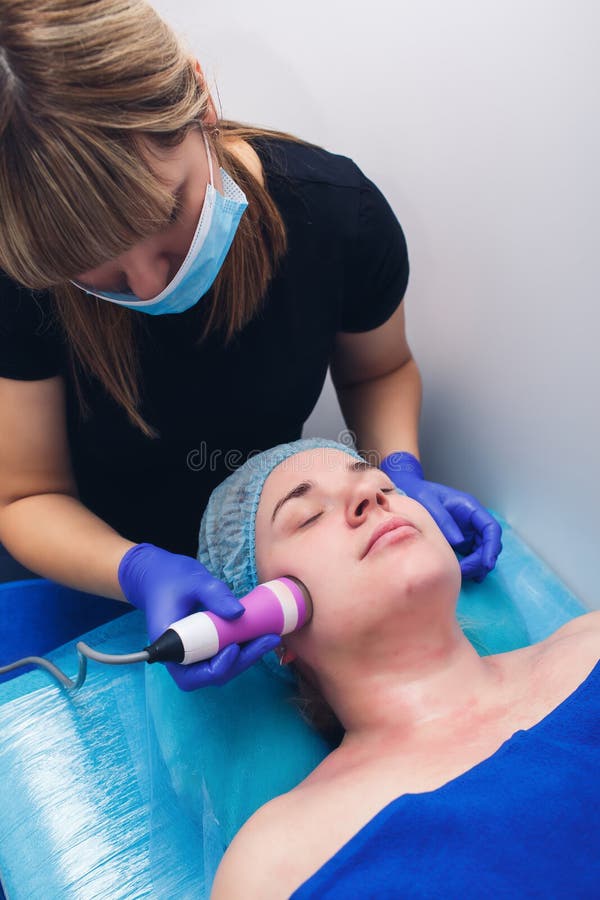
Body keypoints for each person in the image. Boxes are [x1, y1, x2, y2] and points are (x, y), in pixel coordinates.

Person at [0, 0, 501, 691]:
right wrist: (136, 569)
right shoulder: (26, 276)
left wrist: (402, 472)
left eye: (168, 217)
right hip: (76, 569)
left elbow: (379, 371)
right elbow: (24, 495)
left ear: (201, 99)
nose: (150, 283)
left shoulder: (337, 217)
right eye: (103, 268)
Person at [195, 439, 600, 898]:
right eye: (308, 516)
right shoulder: (273, 862)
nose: (373, 498)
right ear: (271, 620)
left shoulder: (592, 643)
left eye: (383, 484)